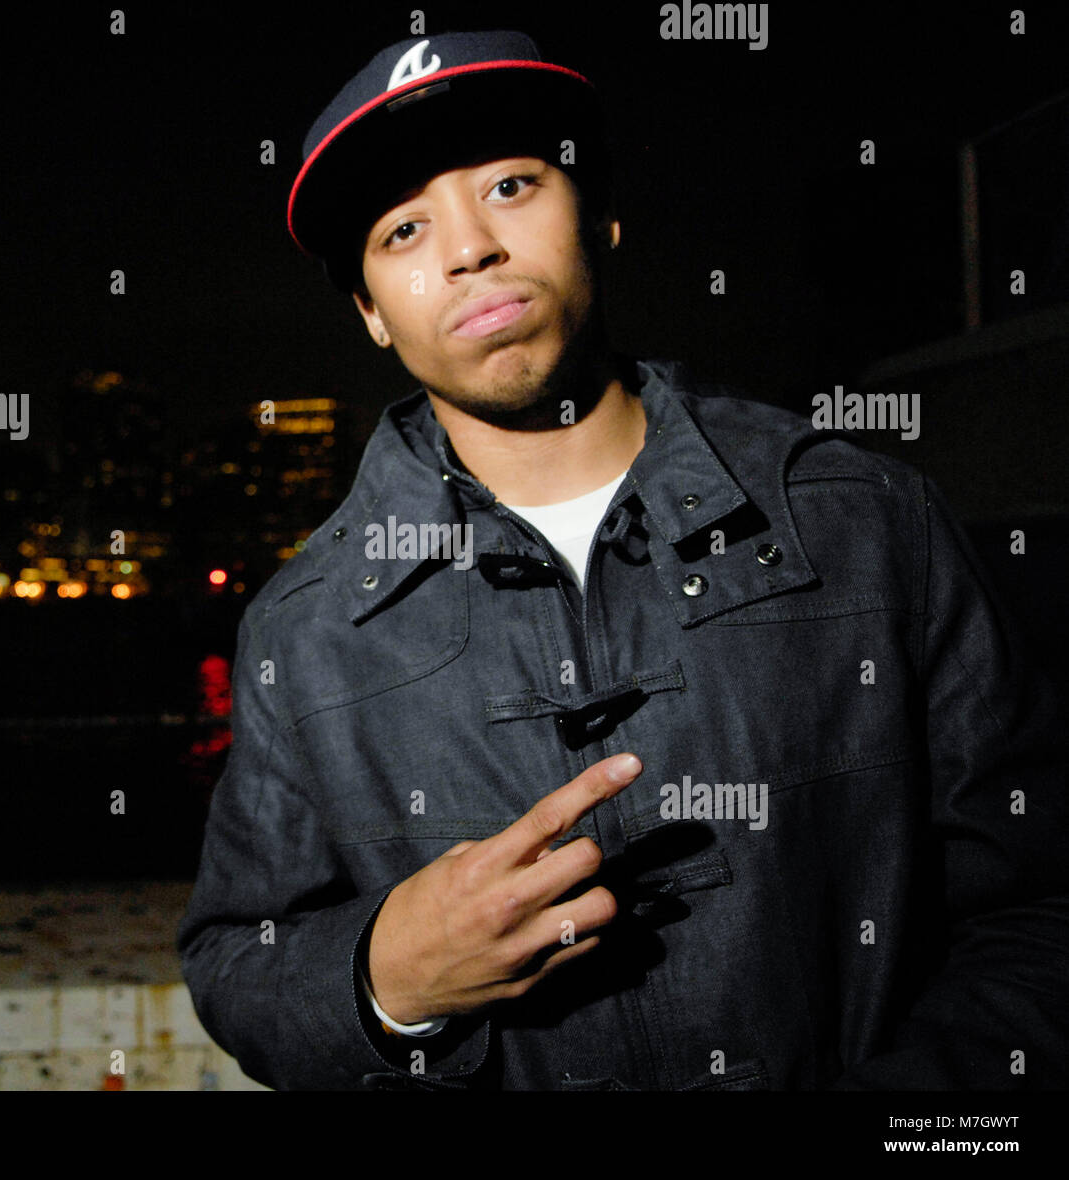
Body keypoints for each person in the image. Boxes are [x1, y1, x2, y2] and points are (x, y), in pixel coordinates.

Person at [177, 29, 1067, 1090]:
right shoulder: (304, 624)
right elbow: (237, 958)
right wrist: (383, 974)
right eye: (404, 228)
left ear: (598, 215)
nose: (468, 248)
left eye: (510, 185)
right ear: (370, 310)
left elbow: (1035, 904)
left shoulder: (868, 521)